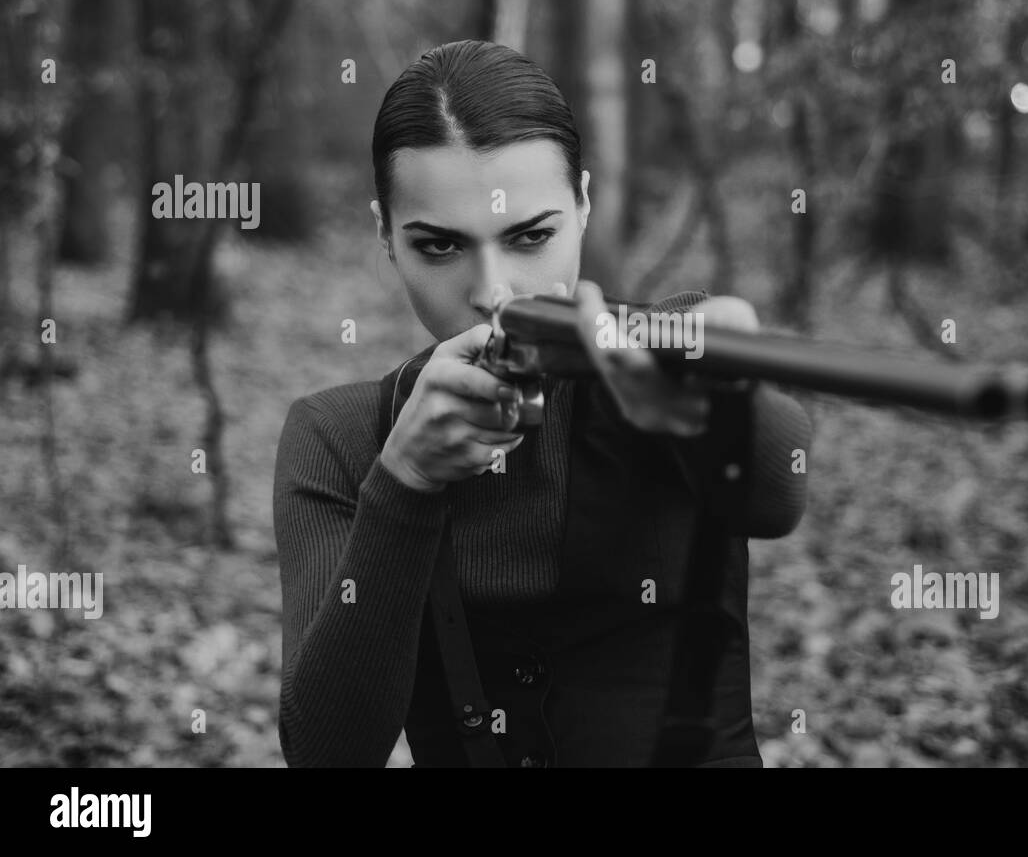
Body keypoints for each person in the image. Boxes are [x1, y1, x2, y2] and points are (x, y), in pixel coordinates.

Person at [273, 39, 812, 767]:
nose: (493, 289)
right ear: (384, 236)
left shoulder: (662, 347)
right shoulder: (338, 435)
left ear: (584, 205)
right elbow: (326, 751)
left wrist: (716, 410)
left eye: (531, 236)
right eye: (439, 246)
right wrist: (403, 483)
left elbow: (777, 494)